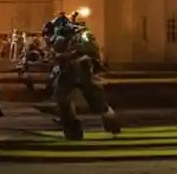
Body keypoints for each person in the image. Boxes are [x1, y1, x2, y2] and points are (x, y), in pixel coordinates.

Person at [45, 12, 121, 140]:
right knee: (63, 101)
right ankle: (72, 131)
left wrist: (78, 57)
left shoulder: (82, 36)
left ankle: (112, 124)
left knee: (98, 102)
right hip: (67, 73)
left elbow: (92, 51)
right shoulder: (58, 39)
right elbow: (55, 54)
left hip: (83, 71)